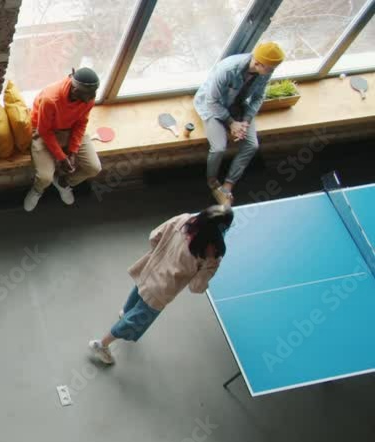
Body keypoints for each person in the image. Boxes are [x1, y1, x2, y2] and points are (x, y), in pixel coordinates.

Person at [89, 205, 234, 364]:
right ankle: (102, 345)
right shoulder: (211, 256)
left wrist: (159, 256)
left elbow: (154, 236)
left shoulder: (184, 219)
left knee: (139, 291)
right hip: (161, 290)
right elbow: (196, 287)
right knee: (134, 322)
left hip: (149, 269)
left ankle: (126, 313)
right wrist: (204, 282)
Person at [194, 41, 284, 206]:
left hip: (238, 106)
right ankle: (212, 181)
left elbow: (258, 97)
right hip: (213, 107)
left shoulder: (265, 72)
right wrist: (231, 123)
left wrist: (245, 121)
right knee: (219, 147)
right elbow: (211, 101)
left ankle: (228, 185)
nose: (272, 72)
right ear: (258, 63)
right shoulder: (227, 69)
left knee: (252, 145)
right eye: (270, 69)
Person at [23, 67, 102, 211]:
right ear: (75, 90)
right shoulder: (50, 99)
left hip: (70, 129)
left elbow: (81, 123)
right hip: (44, 130)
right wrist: (61, 157)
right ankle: (37, 190)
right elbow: (44, 130)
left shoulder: (88, 99)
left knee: (94, 168)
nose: (93, 97)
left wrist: (73, 151)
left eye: (94, 92)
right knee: (45, 177)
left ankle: (63, 183)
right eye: (89, 94)